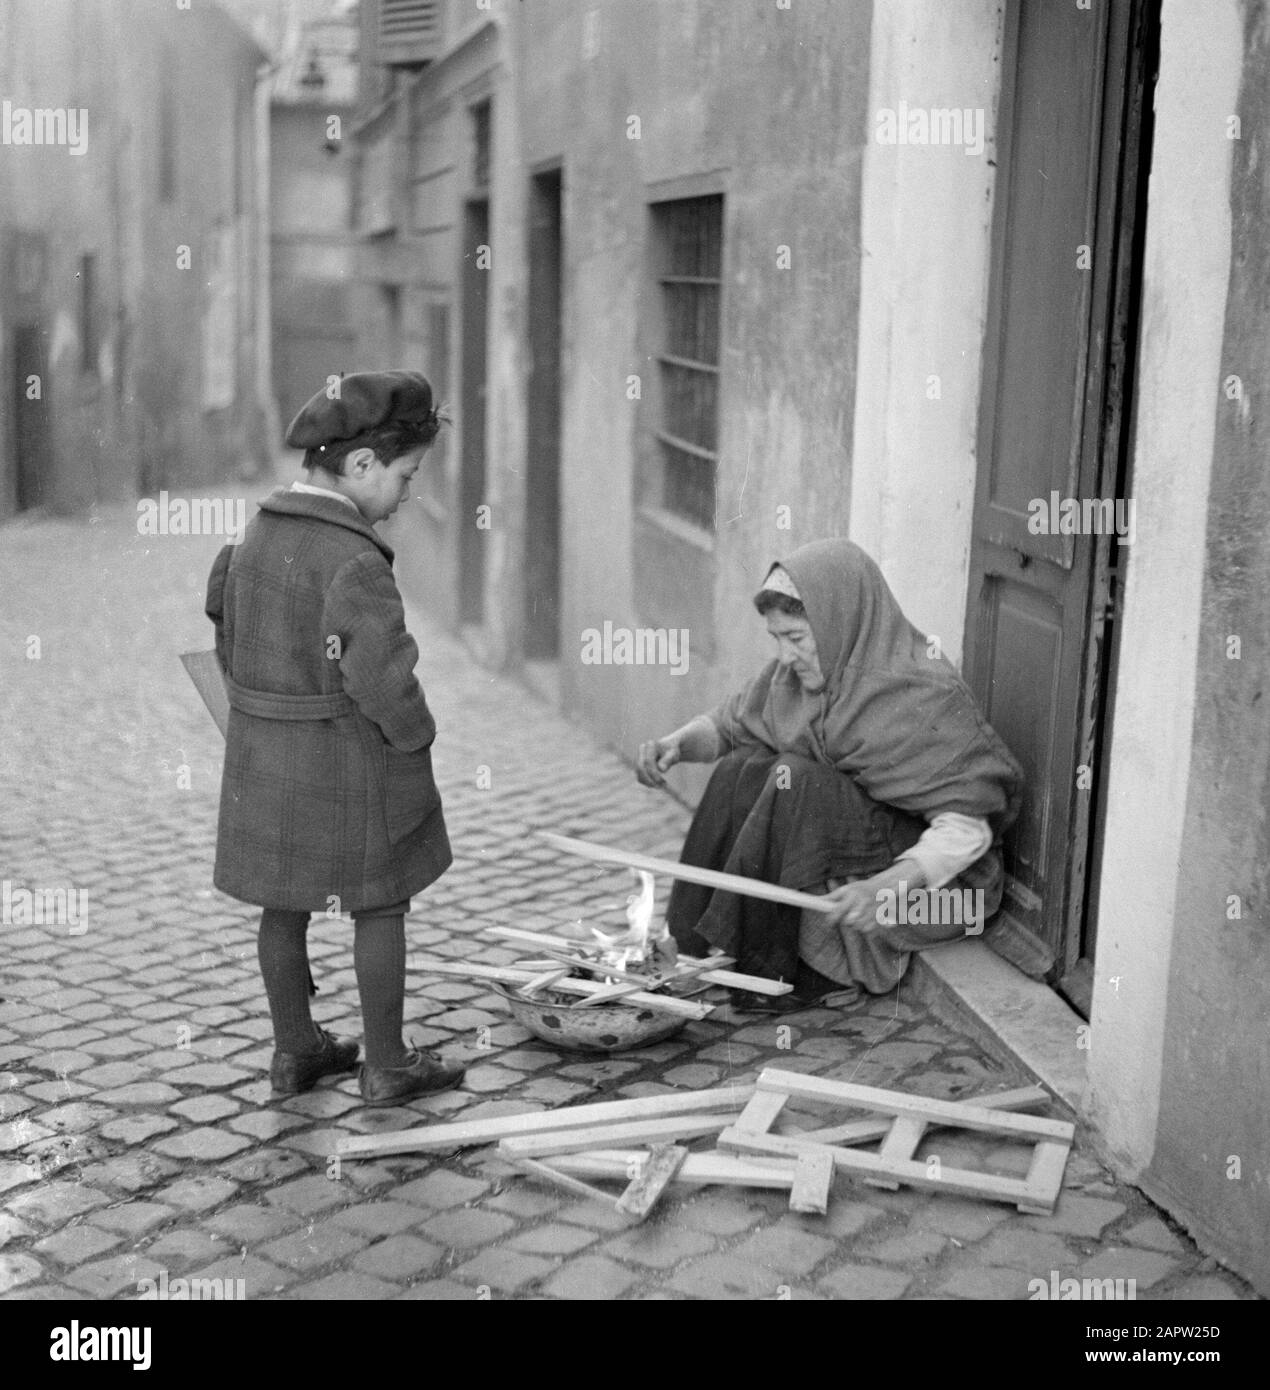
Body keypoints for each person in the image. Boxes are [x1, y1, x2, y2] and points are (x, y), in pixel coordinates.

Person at [205, 371, 466, 1104]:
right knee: (379, 903)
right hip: (347, 762)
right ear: (359, 466)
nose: (408, 494)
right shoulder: (354, 560)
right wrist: (417, 740)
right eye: (406, 475)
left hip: (264, 757)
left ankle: (296, 1053)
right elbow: (385, 682)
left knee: (281, 905)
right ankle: (386, 1063)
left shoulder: (254, 533)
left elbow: (229, 644)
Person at [636, 539, 1023, 1013]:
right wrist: (675, 746)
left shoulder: (919, 693)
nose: (784, 656)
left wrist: (885, 887)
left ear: (841, 623)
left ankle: (791, 973)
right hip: (853, 843)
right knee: (744, 766)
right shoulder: (792, 681)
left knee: (794, 780)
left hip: (936, 886)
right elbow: (727, 727)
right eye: (776, 638)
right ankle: (688, 948)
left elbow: (967, 831)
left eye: (796, 638)